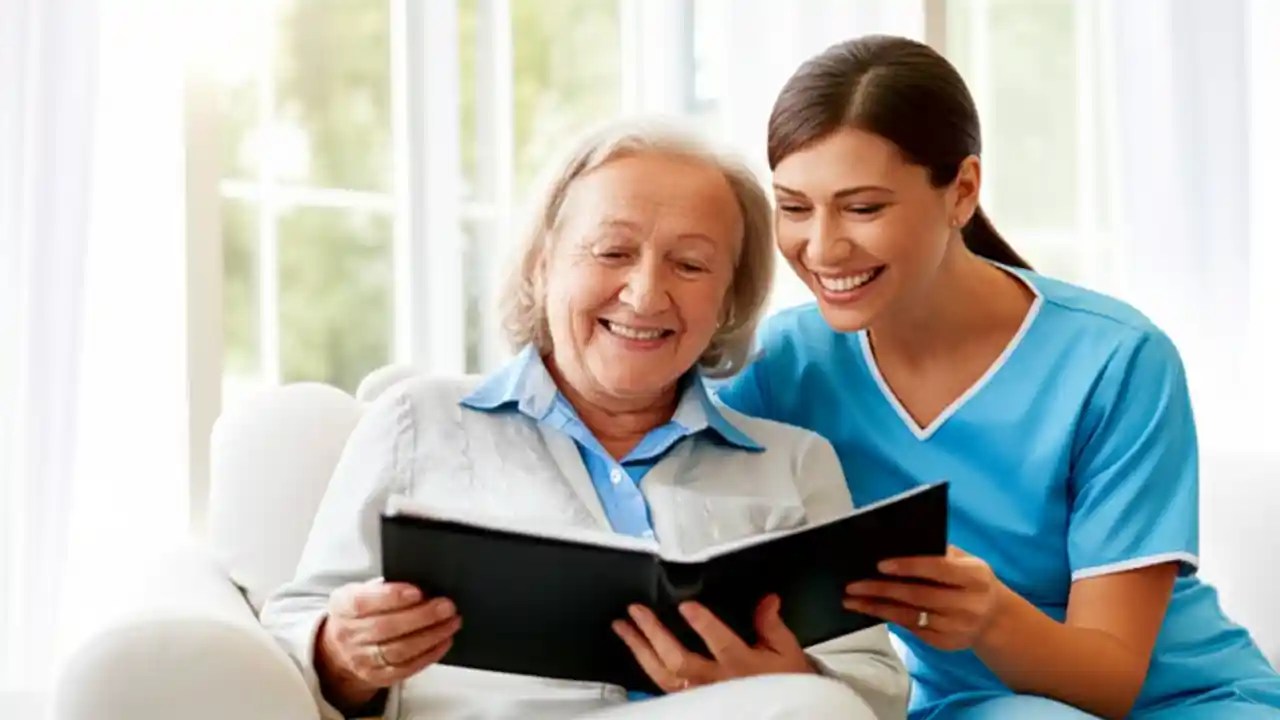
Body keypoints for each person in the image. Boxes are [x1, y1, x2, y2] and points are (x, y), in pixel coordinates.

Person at [259, 121, 909, 720]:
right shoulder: (417, 420)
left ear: (729, 299)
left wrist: (783, 680)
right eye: (611, 251)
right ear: (544, 266)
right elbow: (290, 631)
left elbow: (875, 690)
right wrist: (342, 652)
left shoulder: (794, 464)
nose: (646, 294)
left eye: (689, 264)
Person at [714, 35, 1280, 720]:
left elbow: (1111, 682)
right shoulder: (783, 367)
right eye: (795, 207)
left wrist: (990, 618)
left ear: (963, 192)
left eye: (863, 208)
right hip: (980, 708)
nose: (823, 247)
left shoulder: (1116, 359)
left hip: (1191, 700)